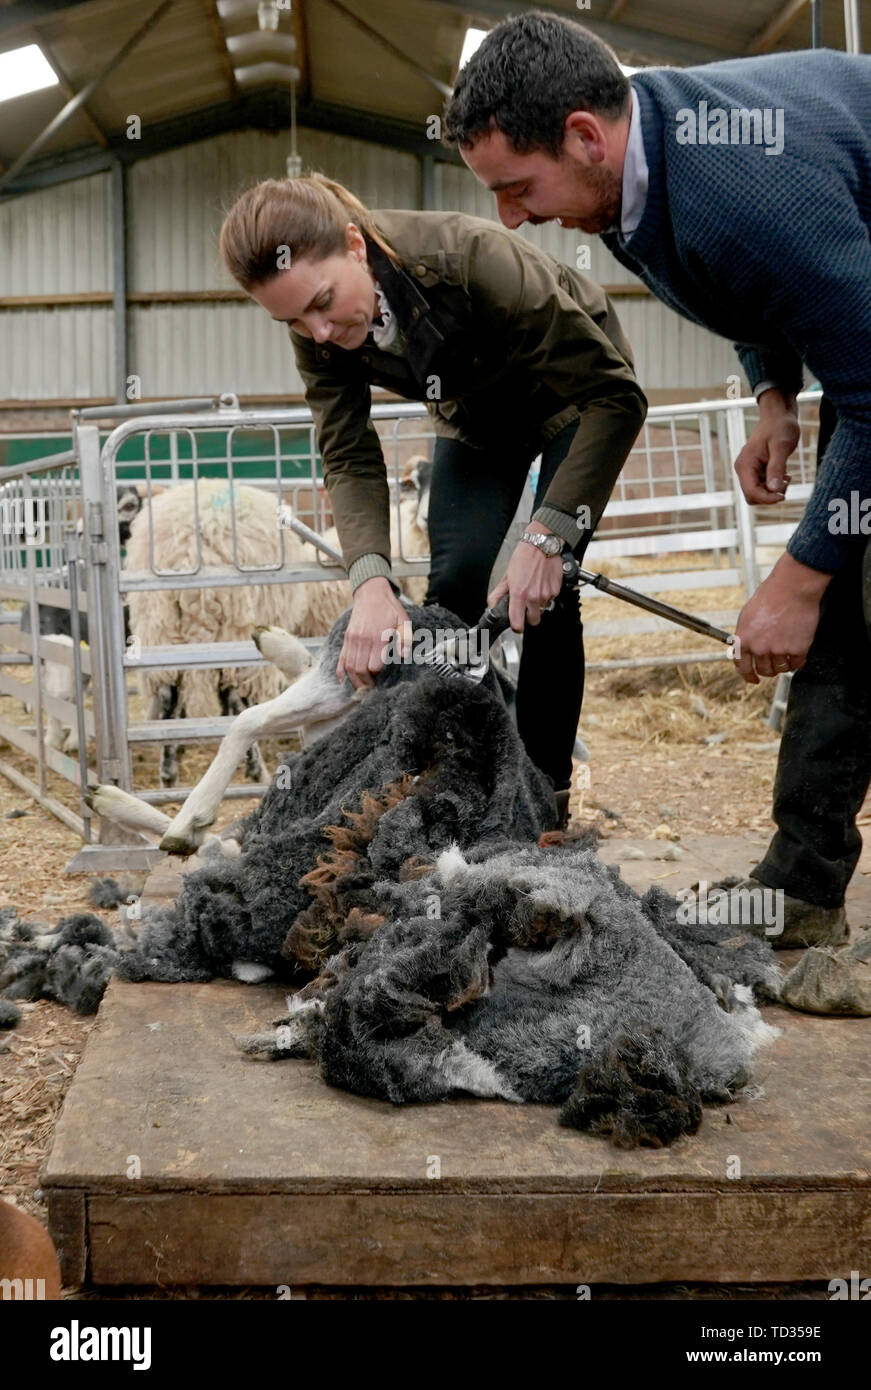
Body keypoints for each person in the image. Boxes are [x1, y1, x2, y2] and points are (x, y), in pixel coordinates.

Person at [443, 10, 871, 942]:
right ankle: (799, 889)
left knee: (841, 593)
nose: (509, 217)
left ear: (584, 137)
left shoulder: (736, 187)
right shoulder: (637, 173)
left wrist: (795, 579)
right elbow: (757, 288)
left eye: (516, 187)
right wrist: (772, 396)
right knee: (849, 607)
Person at [219, 174, 646, 821]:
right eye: (294, 320)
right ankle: (455, 785)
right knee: (451, 593)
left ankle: (543, 800)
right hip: (477, 419)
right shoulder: (316, 327)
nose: (320, 332)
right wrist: (368, 582)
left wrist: (546, 536)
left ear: (355, 246)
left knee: (544, 595)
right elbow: (348, 450)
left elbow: (614, 397)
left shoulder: (473, 260)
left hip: (575, 399)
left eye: (324, 302)